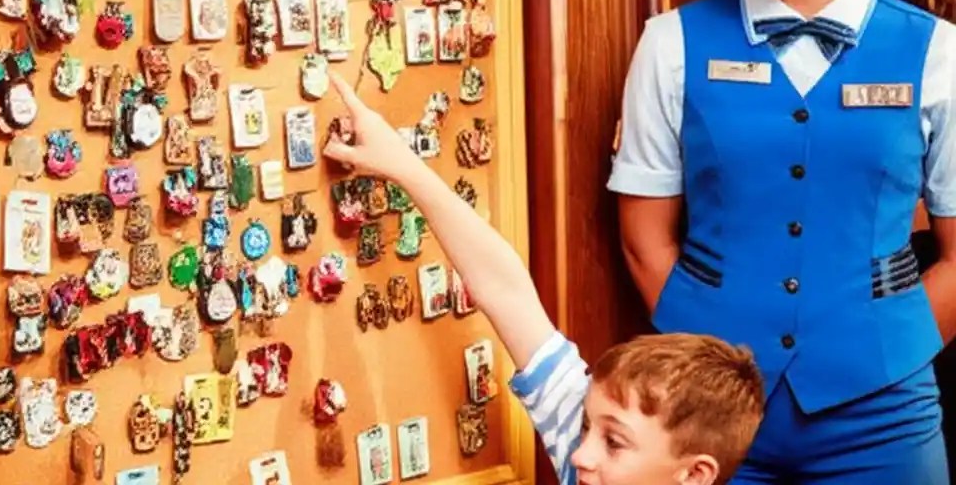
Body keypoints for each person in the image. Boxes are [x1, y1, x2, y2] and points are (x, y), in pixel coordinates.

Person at [609, 0, 956, 483]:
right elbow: (645, 240)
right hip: (703, 422)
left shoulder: (940, 54)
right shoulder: (669, 44)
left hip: (885, 418)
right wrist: (707, 378)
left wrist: (888, 355)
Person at [323, 72, 765, 485]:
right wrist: (403, 165)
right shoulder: (593, 460)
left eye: (613, 442)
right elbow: (504, 289)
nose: (579, 455)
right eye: (586, 427)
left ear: (693, 475)